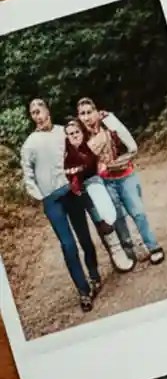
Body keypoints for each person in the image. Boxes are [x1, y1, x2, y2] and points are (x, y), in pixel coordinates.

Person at [20, 98, 101, 311]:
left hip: (71, 192)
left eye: (40, 110)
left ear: (47, 110)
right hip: (52, 200)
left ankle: (94, 276)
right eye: (33, 112)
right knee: (68, 245)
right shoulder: (29, 144)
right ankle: (83, 291)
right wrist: (41, 196)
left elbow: (79, 153)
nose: (37, 115)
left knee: (84, 237)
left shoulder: (62, 132)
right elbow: (27, 174)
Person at [77, 97, 165, 264]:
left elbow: (132, 148)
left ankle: (153, 246)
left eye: (89, 112)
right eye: (82, 114)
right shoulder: (80, 136)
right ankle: (129, 251)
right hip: (105, 182)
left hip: (125, 175)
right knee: (117, 218)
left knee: (138, 212)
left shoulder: (110, 123)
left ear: (97, 112)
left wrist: (114, 162)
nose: (87, 117)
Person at [63, 117, 135, 273]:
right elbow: (67, 173)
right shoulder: (65, 154)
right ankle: (96, 270)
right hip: (74, 193)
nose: (74, 135)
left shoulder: (88, 148)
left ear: (82, 132)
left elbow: (91, 166)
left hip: (92, 185)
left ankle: (119, 252)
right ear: (66, 137)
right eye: (70, 134)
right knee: (83, 233)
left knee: (104, 214)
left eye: (77, 132)